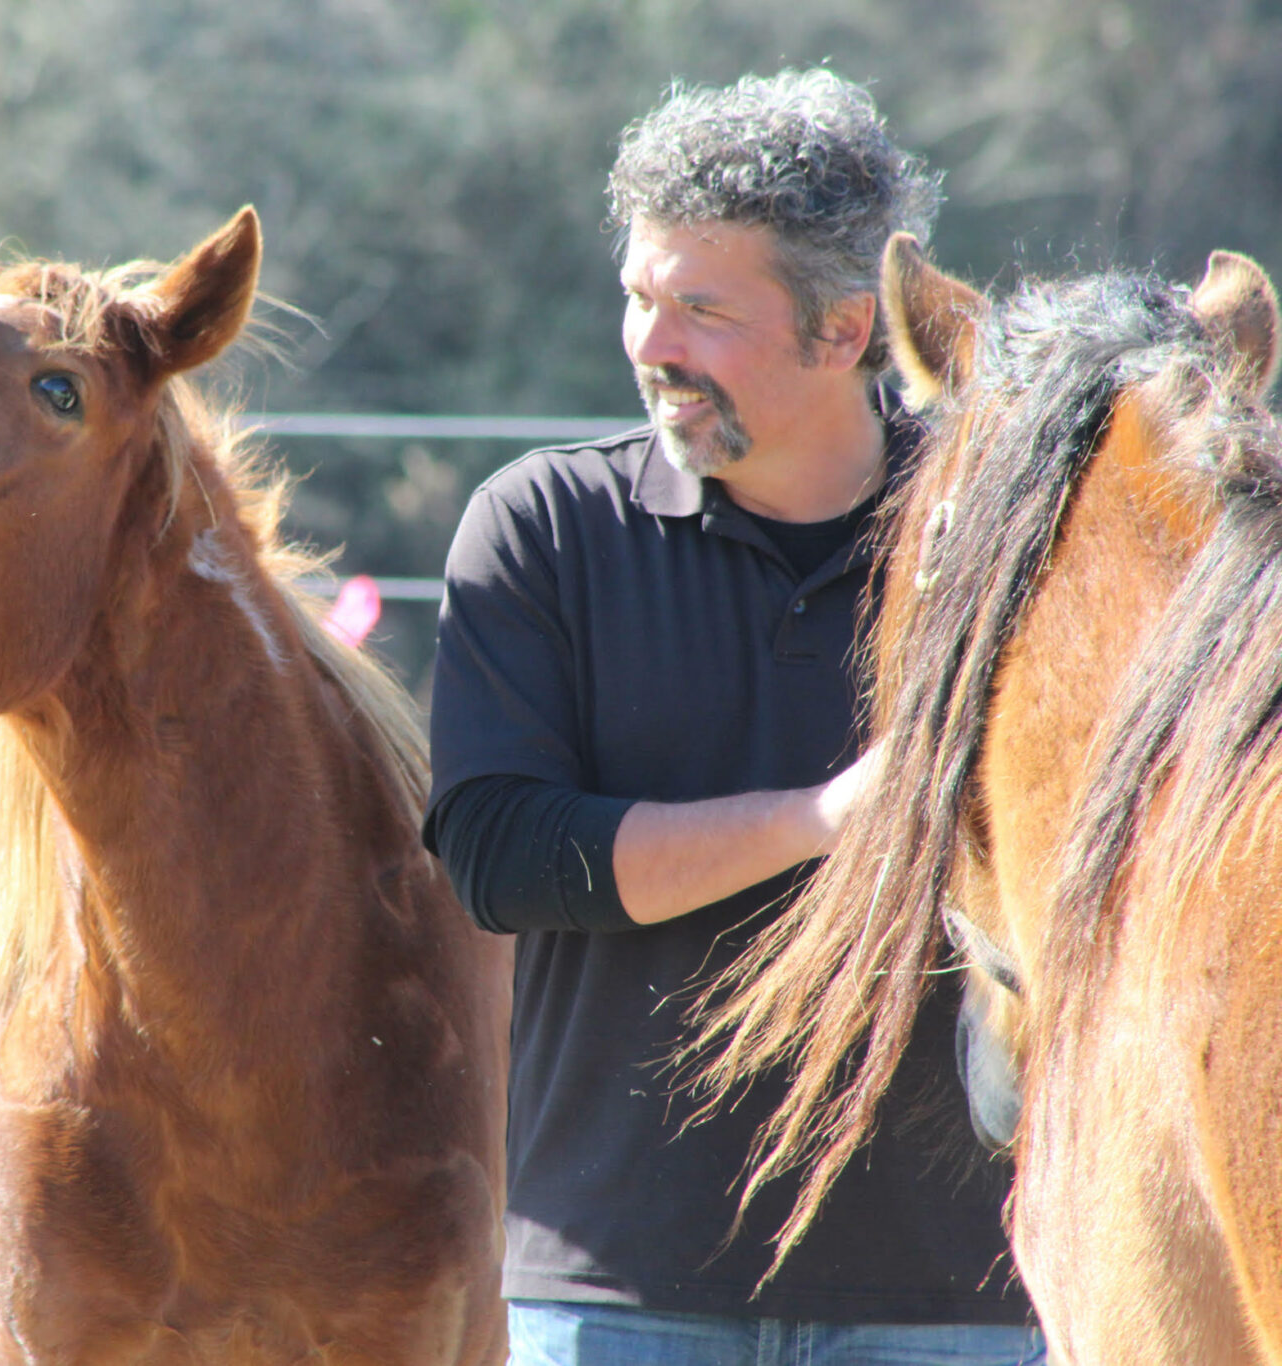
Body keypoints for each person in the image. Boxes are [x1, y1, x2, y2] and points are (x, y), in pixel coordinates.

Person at [426, 71, 1044, 1365]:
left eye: (702, 310)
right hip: (618, 1291)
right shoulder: (544, 528)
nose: (652, 344)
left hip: (955, 1300)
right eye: (642, 297)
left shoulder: (1009, 541)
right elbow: (499, 855)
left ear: (842, 333)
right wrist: (830, 817)